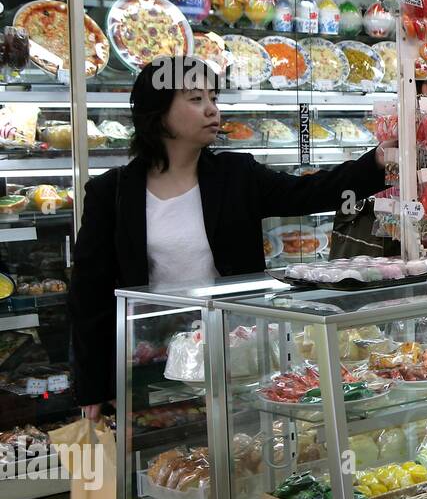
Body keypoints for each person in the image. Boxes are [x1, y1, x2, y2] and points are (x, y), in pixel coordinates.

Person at [68, 55, 391, 418]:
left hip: (237, 358)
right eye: (195, 99)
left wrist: (377, 162)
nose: (212, 109)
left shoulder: (237, 175)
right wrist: (92, 385)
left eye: (213, 98)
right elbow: (89, 292)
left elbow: (311, 191)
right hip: (153, 367)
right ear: (157, 113)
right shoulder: (111, 193)